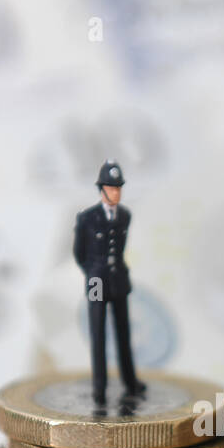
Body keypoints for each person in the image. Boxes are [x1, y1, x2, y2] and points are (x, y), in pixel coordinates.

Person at [73, 160, 145, 403]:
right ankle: (100, 387)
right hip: (96, 282)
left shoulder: (125, 216)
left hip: (119, 281)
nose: (116, 192)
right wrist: (93, 272)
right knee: (98, 334)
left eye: (118, 188)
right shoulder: (87, 218)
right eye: (111, 188)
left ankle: (130, 380)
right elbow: (79, 253)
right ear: (101, 189)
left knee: (124, 333)